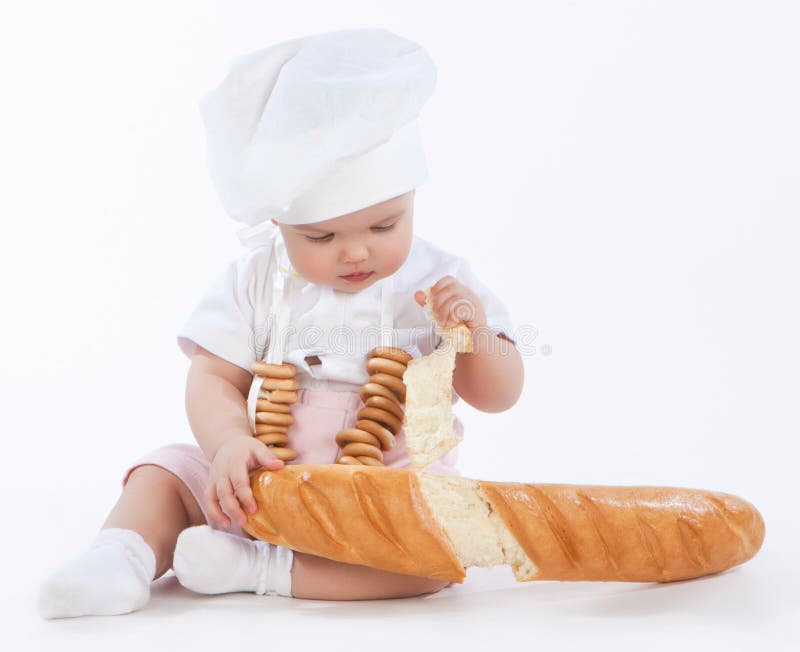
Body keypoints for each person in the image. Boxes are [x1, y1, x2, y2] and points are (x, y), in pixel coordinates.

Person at [37, 28, 524, 619]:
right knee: (164, 471)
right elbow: (214, 377)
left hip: (387, 492)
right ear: (279, 224)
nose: (356, 254)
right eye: (321, 236)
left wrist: (470, 334)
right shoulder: (255, 280)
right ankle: (120, 558)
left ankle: (258, 570)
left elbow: (499, 396)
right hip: (264, 477)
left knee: (439, 550)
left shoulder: (444, 281)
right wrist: (227, 444)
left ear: (412, 198)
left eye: (384, 226)